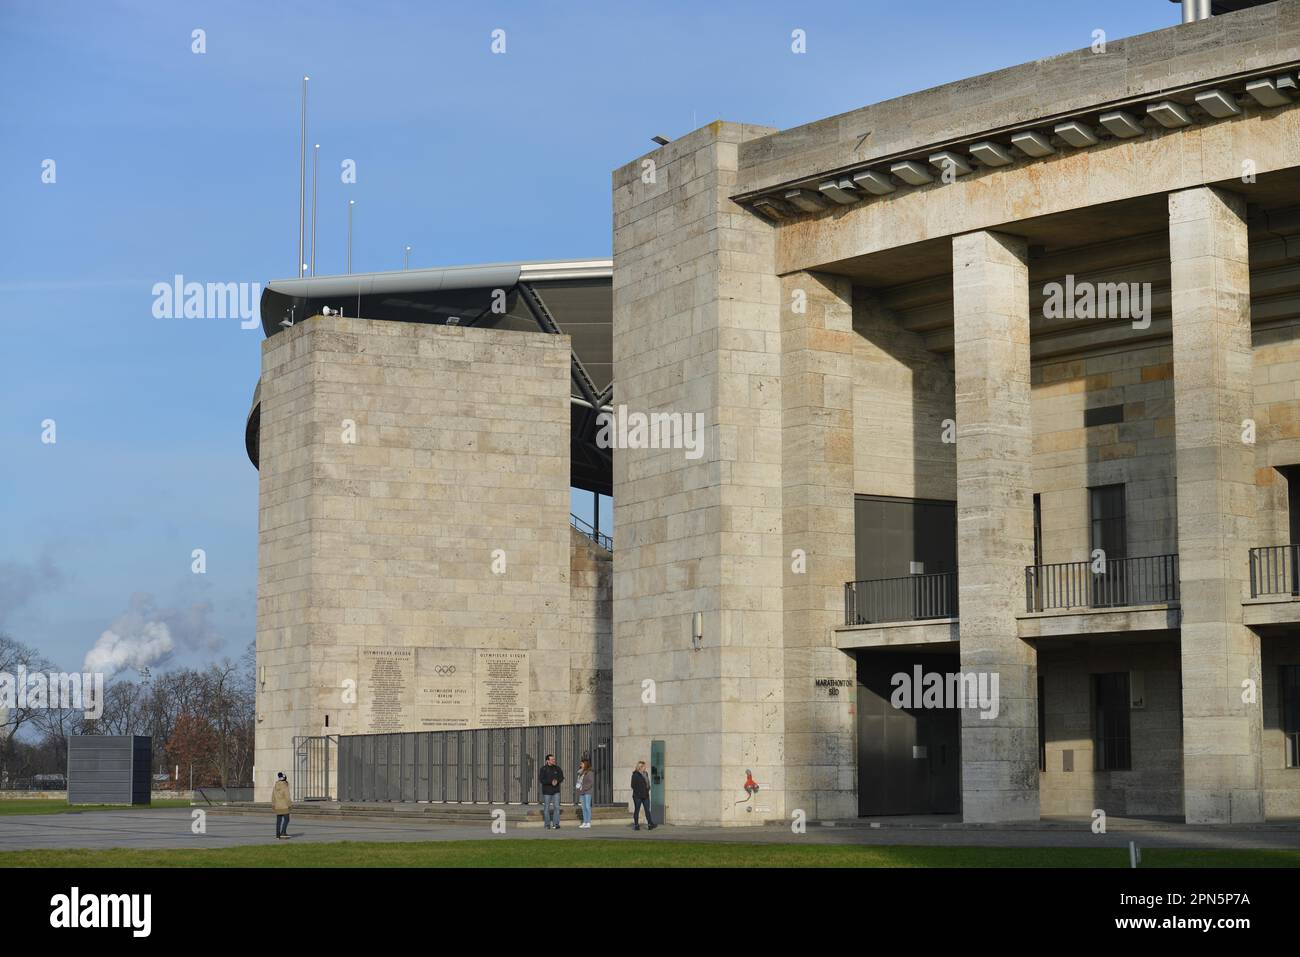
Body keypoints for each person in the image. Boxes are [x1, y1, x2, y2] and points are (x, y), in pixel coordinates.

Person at [538, 753, 564, 829]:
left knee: (557, 807)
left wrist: (557, 781)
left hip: (556, 791)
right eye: (552, 759)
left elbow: (561, 777)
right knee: (546, 808)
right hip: (547, 792)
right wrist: (551, 782)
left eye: (554, 759)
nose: (553, 760)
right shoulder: (543, 769)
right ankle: (547, 824)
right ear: (547, 761)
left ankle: (556, 824)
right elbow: (541, 780)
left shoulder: (557, 768)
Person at [630, 760, 656, 831]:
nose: (645, 768)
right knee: (637, 810)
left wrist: (647, 789)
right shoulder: (635, 775)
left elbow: (647, 783)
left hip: (645, 796)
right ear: (640, 767)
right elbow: (632, 785)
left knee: (647, 810)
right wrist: (639, 792)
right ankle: (636, 825)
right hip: (637, 796)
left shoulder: (646, 774)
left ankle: (650, 824)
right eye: (644, 766)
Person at [271, 771, 292, 840]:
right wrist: (290, 805)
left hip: (277, 806)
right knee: (287, 819)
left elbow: (273, 796)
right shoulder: (285, 785)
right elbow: (287, 796)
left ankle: (277, 835)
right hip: (284, 806)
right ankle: (283, 832)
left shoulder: (275, 785)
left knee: (278, 821)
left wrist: (273, 805)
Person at [577, 758, 594, 828]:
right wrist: (578, 786)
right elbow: (579, 781)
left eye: (582, 763)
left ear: (585, 764)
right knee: (583, 807)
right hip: (581, 791)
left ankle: (588, 822)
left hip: (587, 791)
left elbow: (591, 782)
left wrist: (584, 788)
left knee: (587, 806)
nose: (581, 764)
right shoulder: (580, 772)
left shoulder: (590, 772)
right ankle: (584, 821)